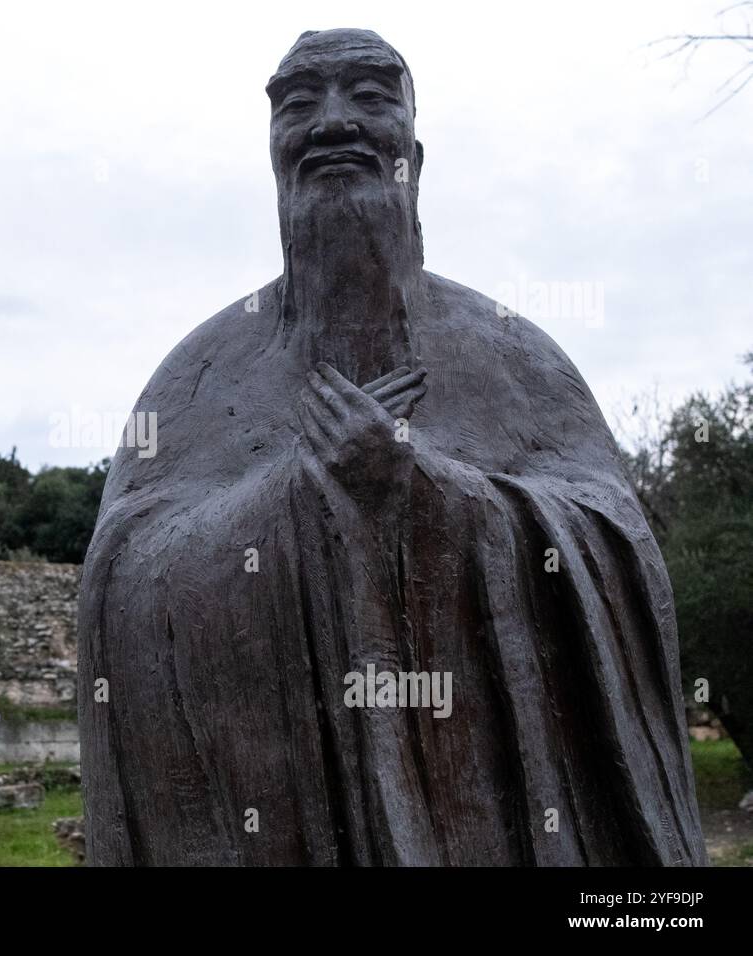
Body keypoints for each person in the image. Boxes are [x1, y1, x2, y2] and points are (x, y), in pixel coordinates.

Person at [77, 28, 707, 866]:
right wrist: (295, 496)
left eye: (370, 97)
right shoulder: (197, 372)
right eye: (298, 104)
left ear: (414, 149)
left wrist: (429, 489)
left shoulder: (515, 354)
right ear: (272, 151)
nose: (331, 122)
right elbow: (118, 579)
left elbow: (624, 558)